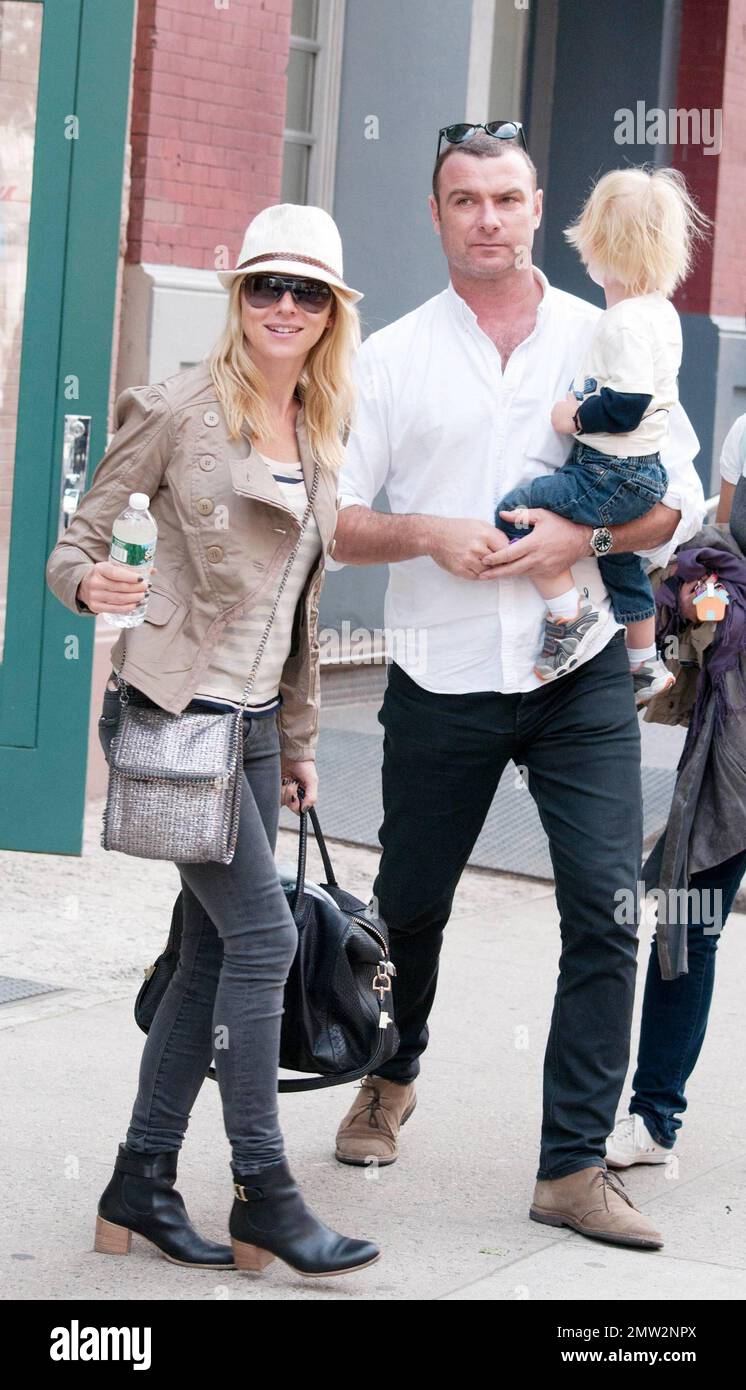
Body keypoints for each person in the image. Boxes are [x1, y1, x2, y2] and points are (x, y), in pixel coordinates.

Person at [327, 125, 705, 1250]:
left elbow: (667, 506)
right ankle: (388, 1077)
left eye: (504, 197)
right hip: (438, 673)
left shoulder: (612, 337)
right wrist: (431, 535)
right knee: (409, 906)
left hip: (575, 666)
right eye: (462, 200)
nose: (484, 217)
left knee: (603, 905)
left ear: (539, 208)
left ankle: (572, 1164)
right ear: (435, 214)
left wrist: (571, 535)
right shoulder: (387, 355)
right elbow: (338, 523)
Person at [45, 203, 380, 1278]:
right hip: (176, 717)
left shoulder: (324, 426)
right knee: (263, 941)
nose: (283, 306)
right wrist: (86, 583)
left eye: (307, 292)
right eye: (264, 286)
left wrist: (293, 739)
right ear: (237, 296)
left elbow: (301, 609)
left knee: (203, 954)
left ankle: (138, 1183)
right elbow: (77, 535)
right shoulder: (181, 405)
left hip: (243, 732)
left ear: (333, 313)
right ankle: (262, 1193)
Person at [493, 166, 708, 704]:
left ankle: (569, 617)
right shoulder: (661, 314)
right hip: (640, 471)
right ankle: (645, 664)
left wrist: (574, 416)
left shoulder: (622, 322)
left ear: (602, 245)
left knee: (516, 509)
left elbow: (629, 404)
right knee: (619, 561)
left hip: (609, 469)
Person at [607, 418, 746, 1165]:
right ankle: (655, 1118)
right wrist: (698, 586)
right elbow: (721, 540)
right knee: (690, 924)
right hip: (734, 744)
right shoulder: (744, 434)